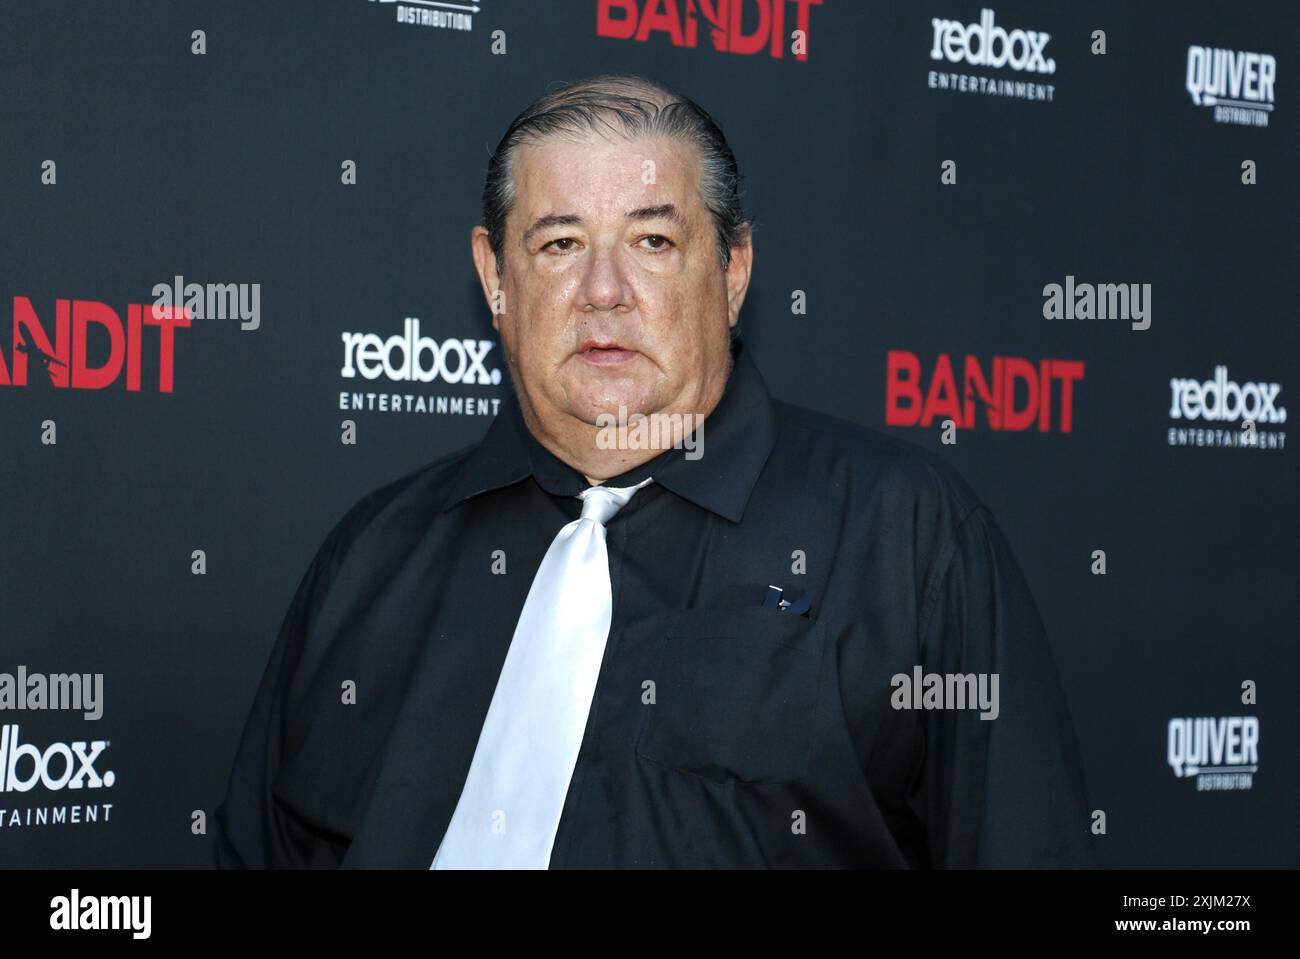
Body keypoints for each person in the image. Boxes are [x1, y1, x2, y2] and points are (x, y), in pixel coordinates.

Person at [213, 74, 1092, 869]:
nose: (604, 290)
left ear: (733, 268)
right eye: (559, 243)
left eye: (653, 242)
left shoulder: (908, 538)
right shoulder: (372, 554)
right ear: (495, 276)